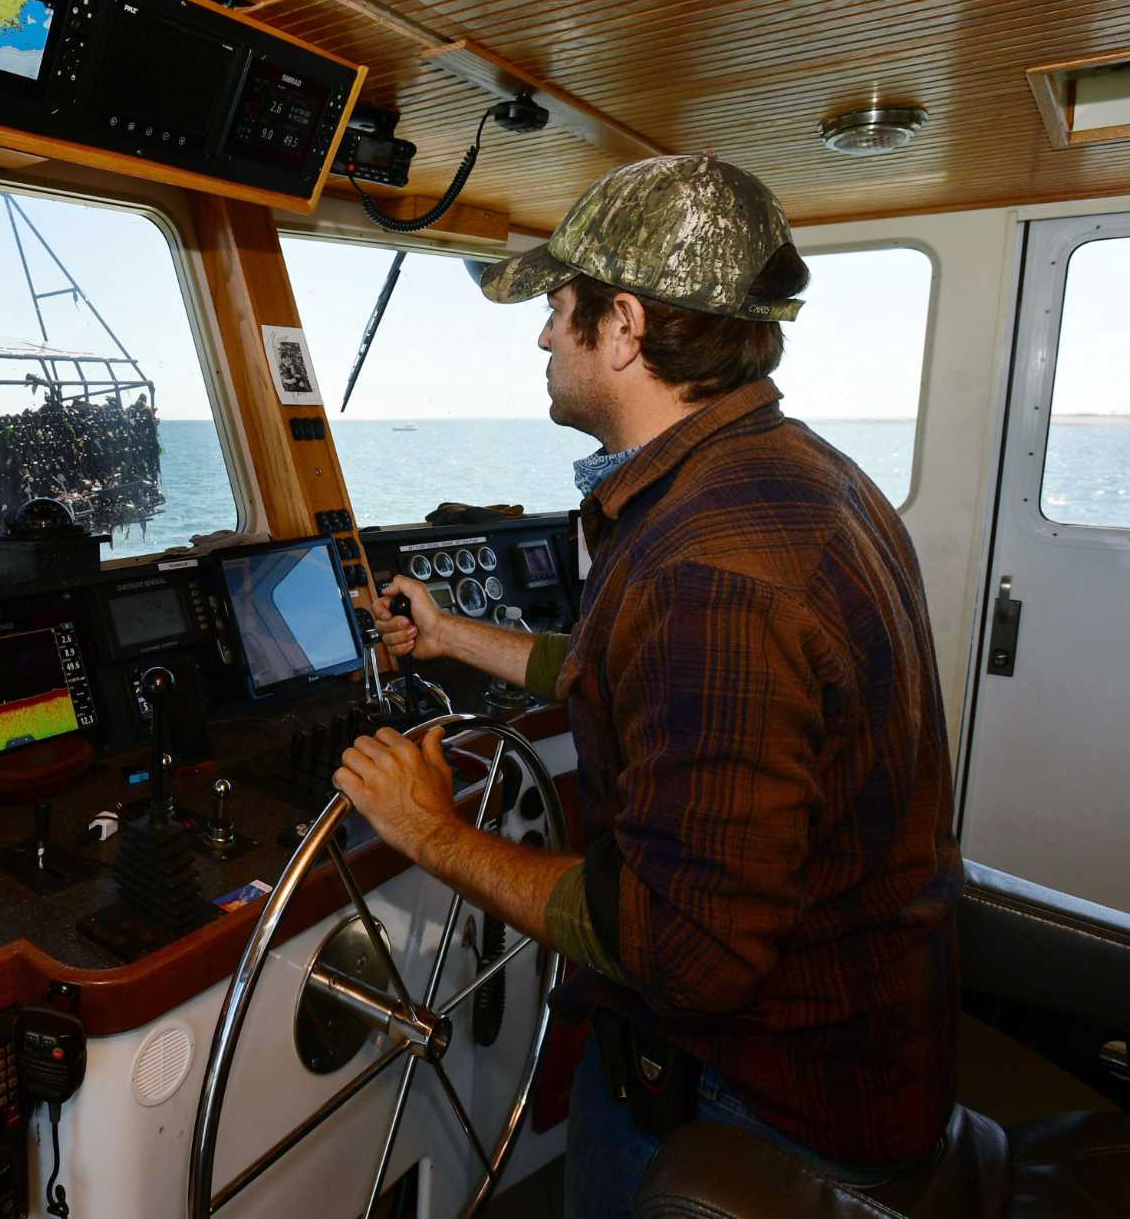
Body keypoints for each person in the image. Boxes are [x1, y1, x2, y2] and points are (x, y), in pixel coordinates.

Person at [342, 155, 962, 1216]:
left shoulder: (705, 570)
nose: (541, 336)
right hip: (863, 1046)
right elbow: (623, 664)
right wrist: (451, 634)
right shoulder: (797, 475)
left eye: (555, 307)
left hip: (755, 1103)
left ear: (621, 326)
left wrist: (428, 828)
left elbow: (685, 951)